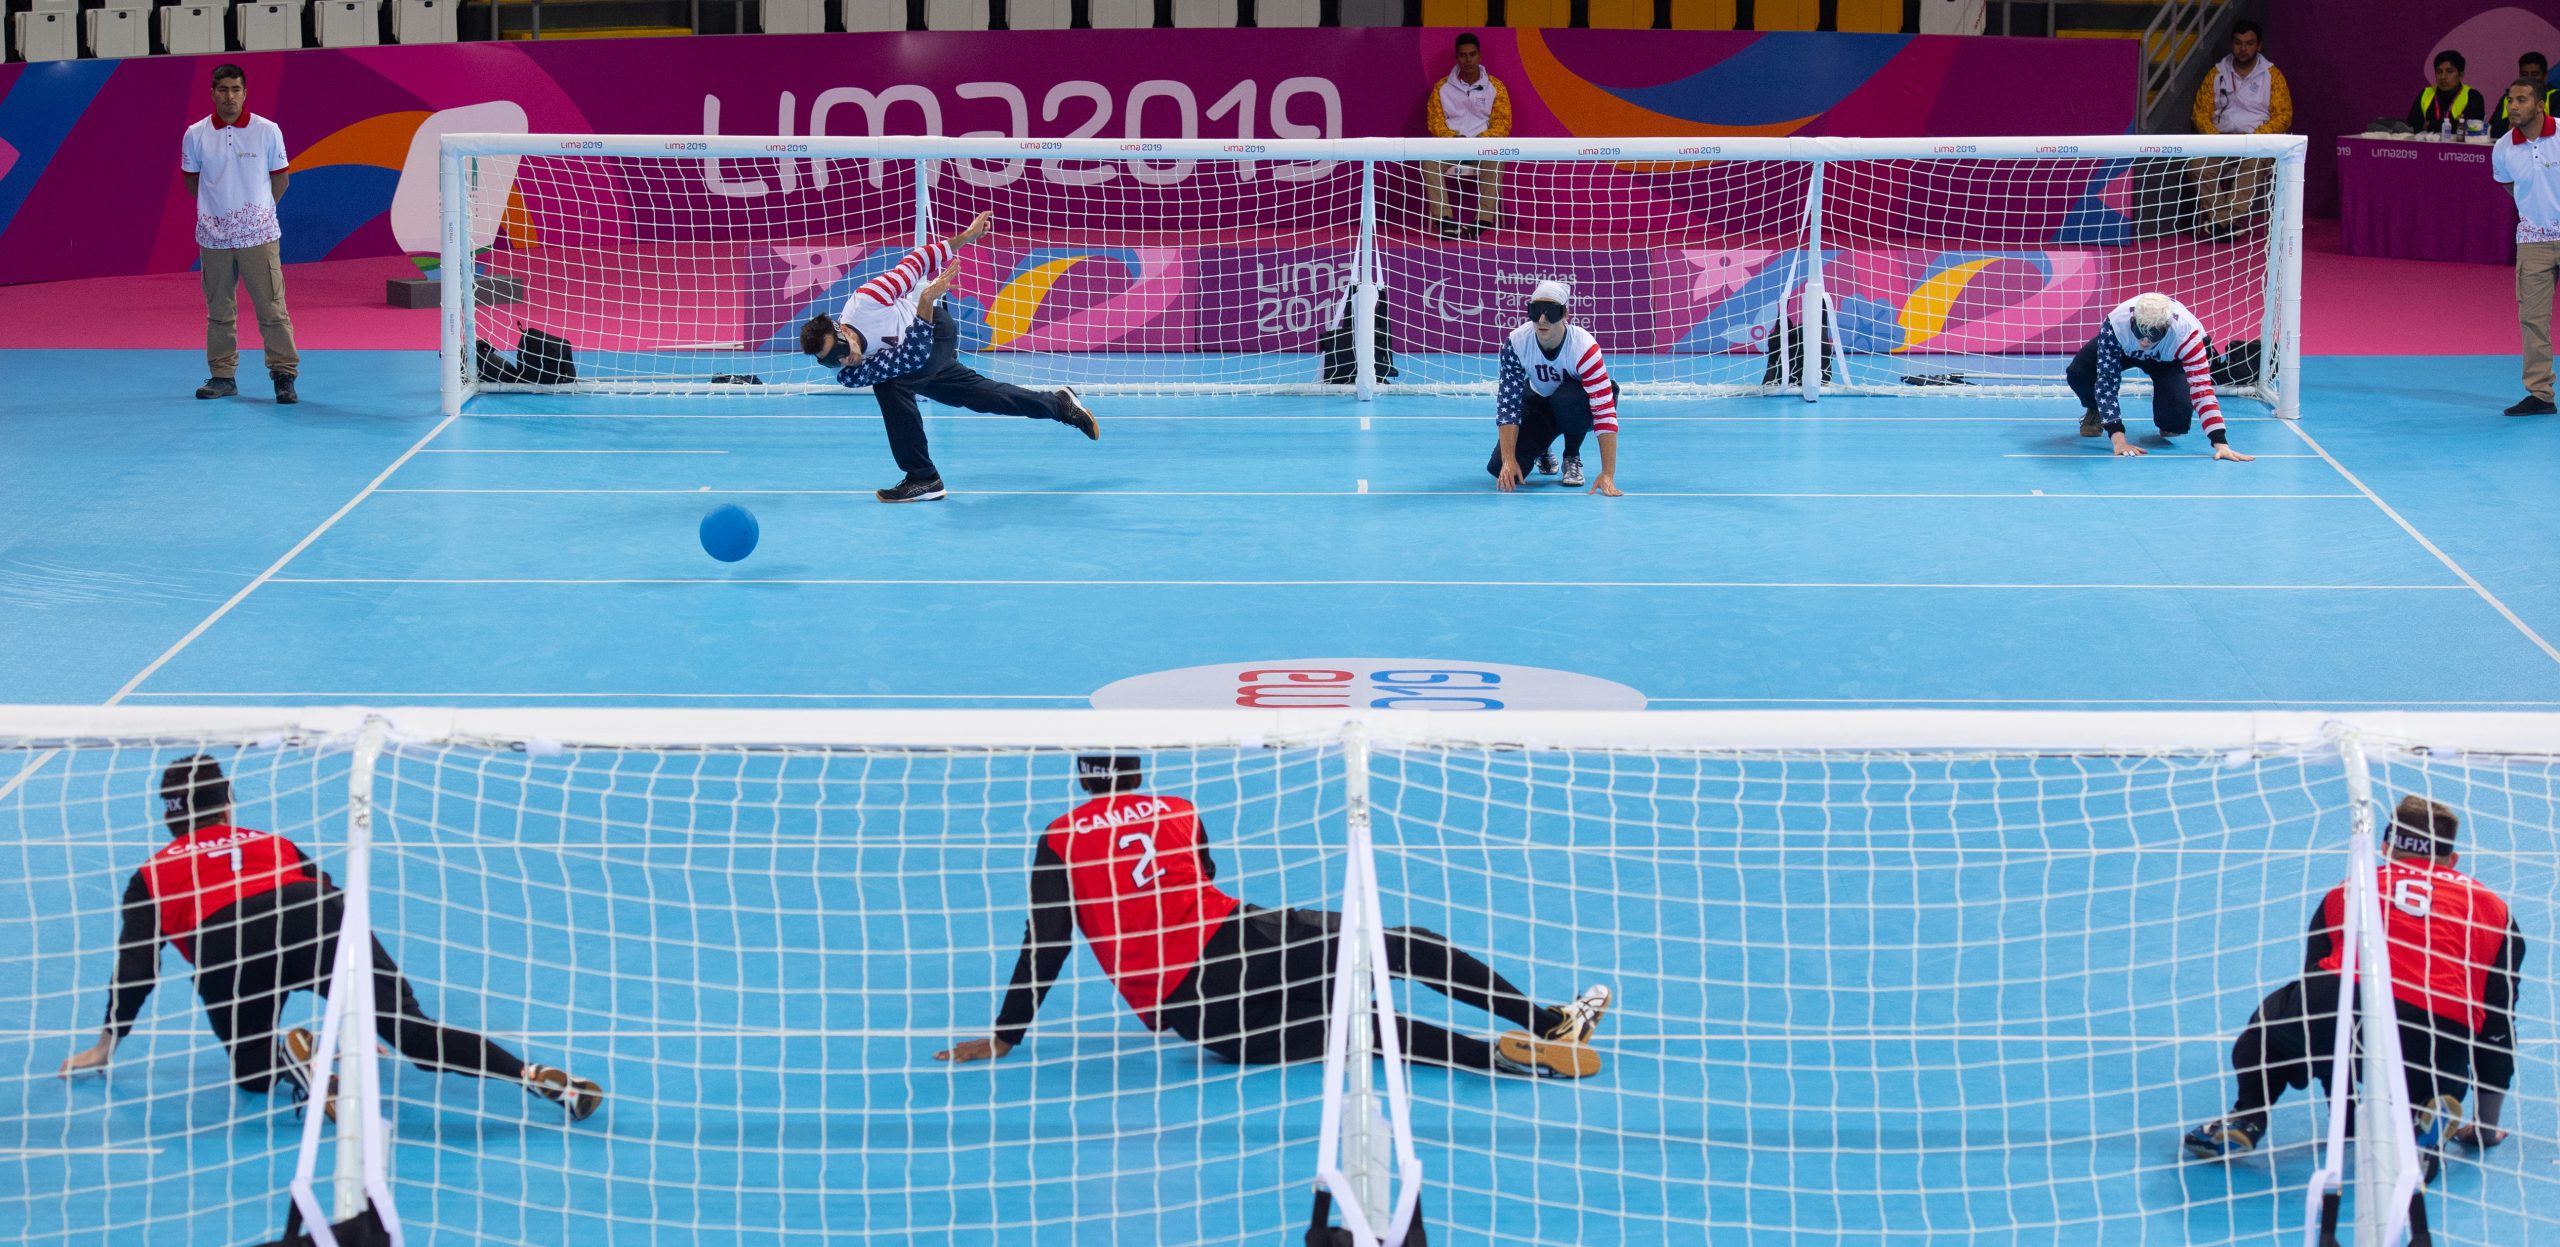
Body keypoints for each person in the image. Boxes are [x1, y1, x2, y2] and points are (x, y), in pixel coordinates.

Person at [934, 755, 1613, 1078]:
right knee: (1404, 943)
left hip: (1201, 1018)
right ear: (1136, 772)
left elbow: (1046, 943)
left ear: (1083, 778)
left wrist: (1005, 1035)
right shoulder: (1178, 809)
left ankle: (1495, 1059)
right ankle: (1548, 1023)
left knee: (1358, 1026)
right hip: (1245, 942)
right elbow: (1204, 877)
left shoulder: (1059, 835)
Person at [57, 756, 602, 1123]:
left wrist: (107, 1042)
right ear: (227, 805)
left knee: (253, 1075)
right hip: (314, 913)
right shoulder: (274, 843)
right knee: (413, 1032)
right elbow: (337, 901)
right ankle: (534, 1075)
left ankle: (297, 1061)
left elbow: (137, 968)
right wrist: (364, 1008)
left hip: (227, 946)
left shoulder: (150, 875)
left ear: (169, 819)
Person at [2183, 796, 2525, 1159]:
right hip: (2434, 1033)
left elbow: (2317, 987)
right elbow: (2498, 1027)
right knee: (2439, 1077)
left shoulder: (2348, 889)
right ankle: (2422, 1119)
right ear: (2452, 859)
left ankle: (2248, 1117)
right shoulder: (2493, 909)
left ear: (2385, 848)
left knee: (2275, 1024)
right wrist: (2485, 1129)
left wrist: (2343, 1120)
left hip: (2341, 1007)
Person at [799, 210, 1098, 503]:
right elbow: (911, 358)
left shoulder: (868, 300)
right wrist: (925, 299)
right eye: (830, 361)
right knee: (985, 397)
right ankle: (1059, 404)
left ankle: (923, 478)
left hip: (936, 331)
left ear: (843, 330)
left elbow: (915, 262)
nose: (842, 361)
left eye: (840, 351)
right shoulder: (849, 374)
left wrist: (964, 238)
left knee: (891, 386)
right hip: (916, 356)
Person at [182, 63, 299, 405]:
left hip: (259, 238)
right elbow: (192, 181)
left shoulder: (267, 131)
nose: (229, 96)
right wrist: (217, 214)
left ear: (245, 93)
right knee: (219, 309)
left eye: (236, 89)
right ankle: (222, 376)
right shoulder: (195, 134)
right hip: (213, 239)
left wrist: (256, 216)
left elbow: (281, 179)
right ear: (212, 93)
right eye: (223, 90)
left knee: (272, 308)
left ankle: (284, 376)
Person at [2068, 292, 2253, 461]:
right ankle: (2095, 409)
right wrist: (2119, 440)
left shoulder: (2187, 336)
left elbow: (2202, 390)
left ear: (2166, 326)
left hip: (2168, 360)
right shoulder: (2116, 324)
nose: (2144, 342)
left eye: (2151, 337)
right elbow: (2107, 381)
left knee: (2175, 423)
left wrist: (2220, 443)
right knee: (2079, 372)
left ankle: (2167, 418)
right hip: (2125, 350)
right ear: (2133, 320)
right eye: (2140, 334)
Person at [1487, 280, 1623, 494]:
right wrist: (1509, 459)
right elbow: (1508, 404)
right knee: (1501, 469)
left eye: (1550, 312)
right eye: (1535, 311)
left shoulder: (1583, 347)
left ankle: (1572, 456)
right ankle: (1543, 447)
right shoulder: (1516, 343)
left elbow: (1604, 410)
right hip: (1538, 402)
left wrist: (1608, 474)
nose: (1542, 320)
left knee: (1568, 398)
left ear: (1565, 314)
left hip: (1574, 404)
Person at [2188, 21, 2292, 241]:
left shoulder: (2273, 76)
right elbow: (2200, 113)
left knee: (2252, 167)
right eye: (2238, 43)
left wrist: (2256, 137)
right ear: (2232, 44)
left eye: (2249, 43)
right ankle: (2226, 224)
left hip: (2257, 143)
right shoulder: (2217, 73)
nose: (2243, 49)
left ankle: (2221, 224)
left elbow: (2284, 115)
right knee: (2197, 165)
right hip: (2222, 141)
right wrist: (2215, 138)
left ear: (2259, 46)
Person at [2495, 78, 2560, 417]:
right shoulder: (2503, 147)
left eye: (2521, 99)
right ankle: (2540, 394)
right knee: (2533, 320)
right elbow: (2509, 185)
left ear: (2540, 105)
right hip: (2533, 241)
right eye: (2510, 100)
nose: (2513, 106)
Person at [1422, 32, 1513, 241]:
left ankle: (1482, 221)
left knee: (1497, 159)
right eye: (1463, 55)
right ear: (1457, 58)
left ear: (1480, 56)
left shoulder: (1496, 87)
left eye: (1472, 54)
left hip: (1483, 146)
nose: (1468, 60)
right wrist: (1454, 139)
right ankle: (1444, 221)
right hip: (1452, 146)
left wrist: (1482, 140)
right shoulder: (1442, 87)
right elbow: (1435, 122)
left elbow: (1503, 122)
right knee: (1428, 160)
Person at [2407, 51, 2486, 137]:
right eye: (2439, 72)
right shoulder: (2426, 93)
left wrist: (2429, 125)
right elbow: (2412, 126)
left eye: (2449, 71)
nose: (2443, 77)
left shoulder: (2473, 96)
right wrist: (2455, 123)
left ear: (2461, 75)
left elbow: (2472, 128)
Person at [2492, 52, 2558, 138]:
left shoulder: (2556, 97)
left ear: (2545, 76)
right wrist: (2511, 123)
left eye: (2535, 74)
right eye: (2524, 74)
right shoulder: (2507, 98)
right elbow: (2492, 131)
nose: (2529, 78)